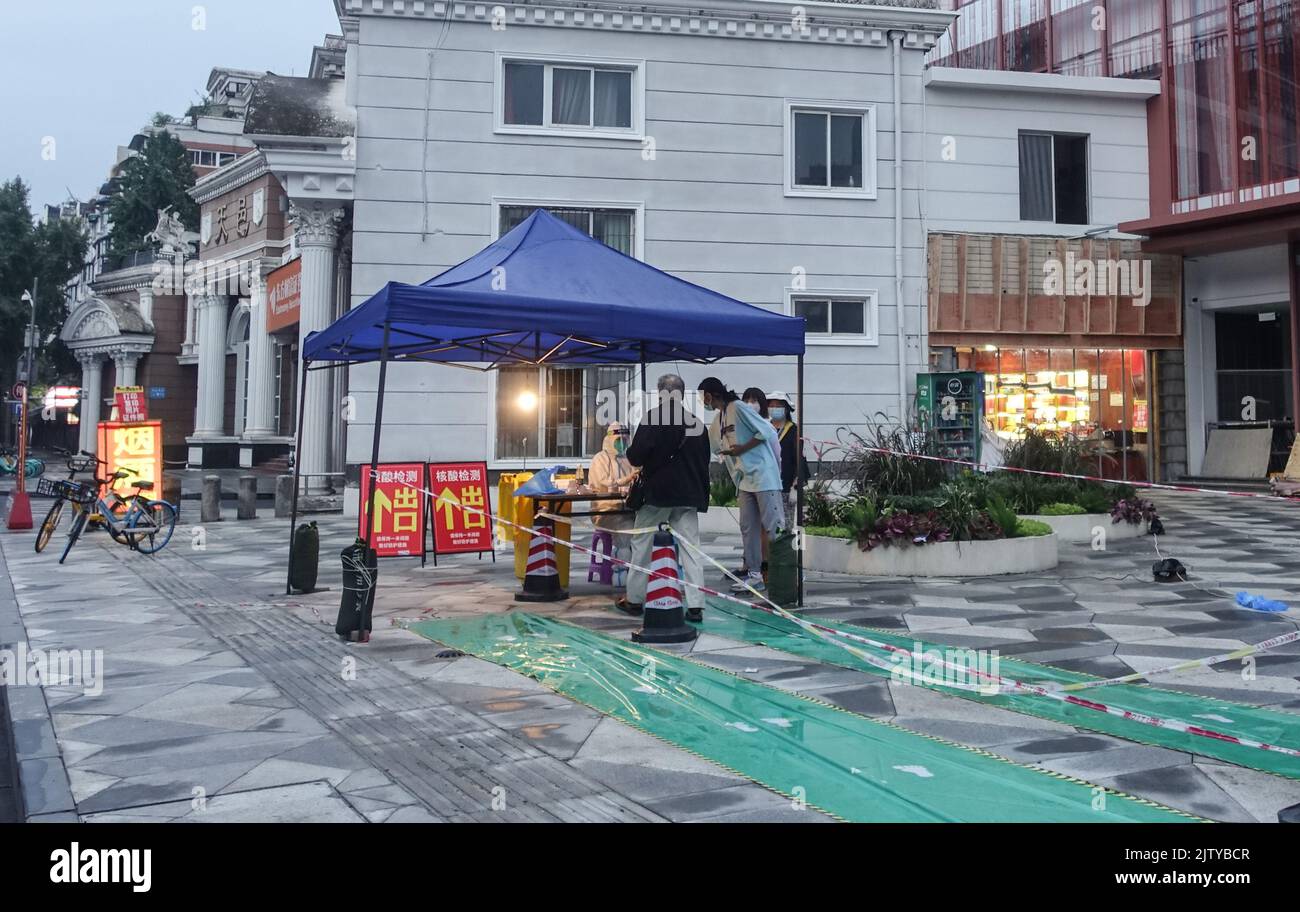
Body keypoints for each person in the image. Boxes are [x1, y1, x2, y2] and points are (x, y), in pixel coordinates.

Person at [618, 374, 711, 622]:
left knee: (642, 545)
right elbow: (705, 463)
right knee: (691, 549)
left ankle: (635, 600)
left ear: (660, 393)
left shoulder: (652, 419)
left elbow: (635, 457)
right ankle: (695, 606)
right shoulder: (696, 423)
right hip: (688, 495)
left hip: (657, 495)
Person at [698, 377, 784, 594]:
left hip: (764, 476)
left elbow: (766, 431)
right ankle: (754, 574)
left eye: (703, 396)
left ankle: (786, 572)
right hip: (745, 479)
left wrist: (742, 448)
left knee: (774, 527)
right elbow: (709, 443)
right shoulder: (720, 417)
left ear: (711, 394)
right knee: (748, 527)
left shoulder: (738, 407)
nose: (703, 401)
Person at [589, 422, 636, 586]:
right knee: (626, 530)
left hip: (626, 510)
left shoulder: (628, 460)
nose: (622, 443)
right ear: (610, 439)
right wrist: (626, 480)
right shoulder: (599, 459)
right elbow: (605, 482)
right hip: (605, 511)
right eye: (619, 439)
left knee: (644, 526)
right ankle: (621, 576)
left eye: (625, 439)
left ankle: (638, 572)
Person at [766, 391, 806, 530]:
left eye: (778, 405)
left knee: (784, 528)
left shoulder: (794, 431)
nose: (774, 408)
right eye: (771, 405)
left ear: (786, 409)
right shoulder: (764, 429)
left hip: (786, 488)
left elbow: (800, 460)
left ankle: (784, 551)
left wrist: (796, 486)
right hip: (765, 487)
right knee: (767, 527)